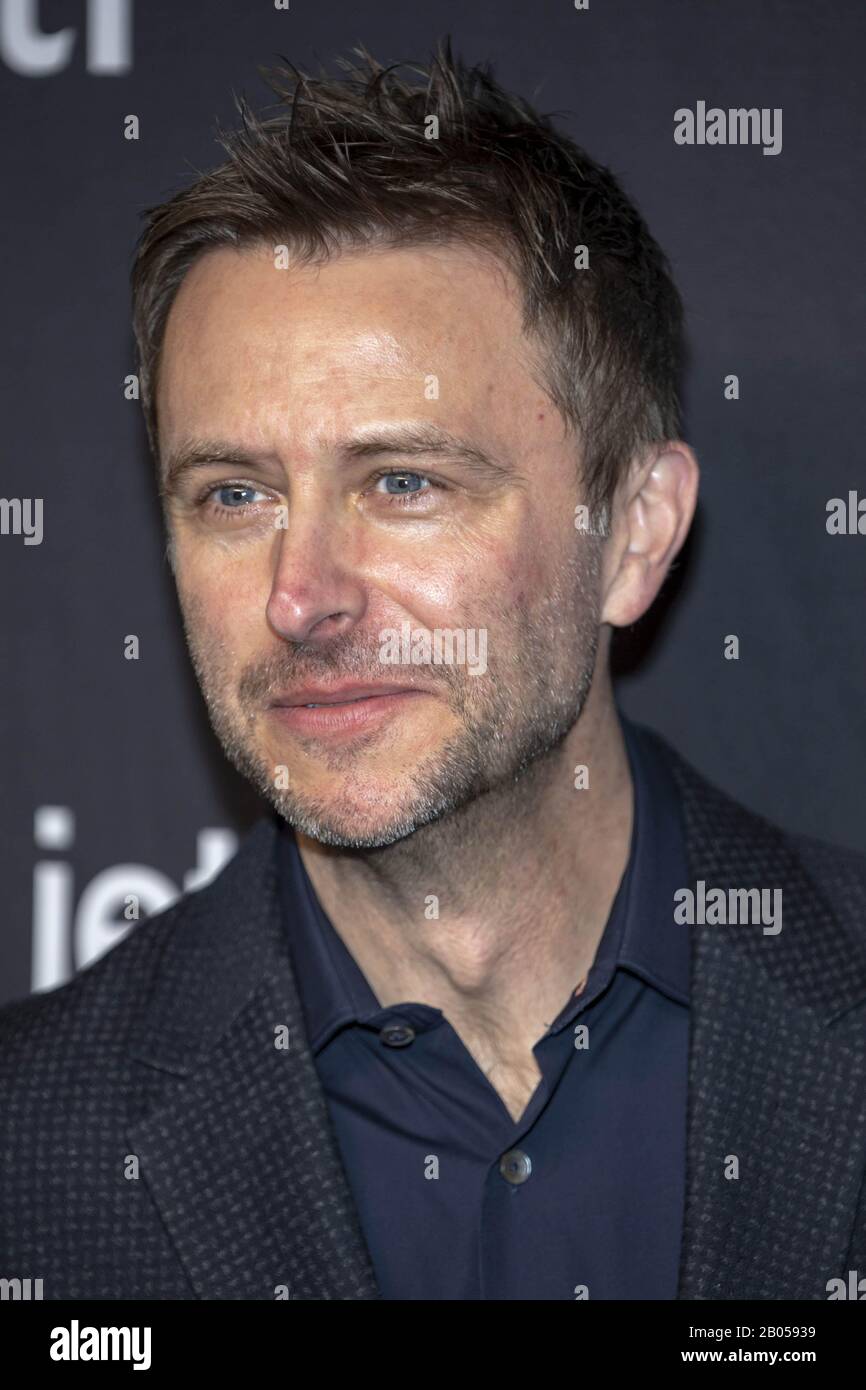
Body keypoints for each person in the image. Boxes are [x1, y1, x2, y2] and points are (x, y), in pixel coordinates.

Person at [2, 39, 865, 1302]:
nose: (301, 597)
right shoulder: (33, 1152)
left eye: (402, 483)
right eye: (234, 494)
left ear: (631, 532)